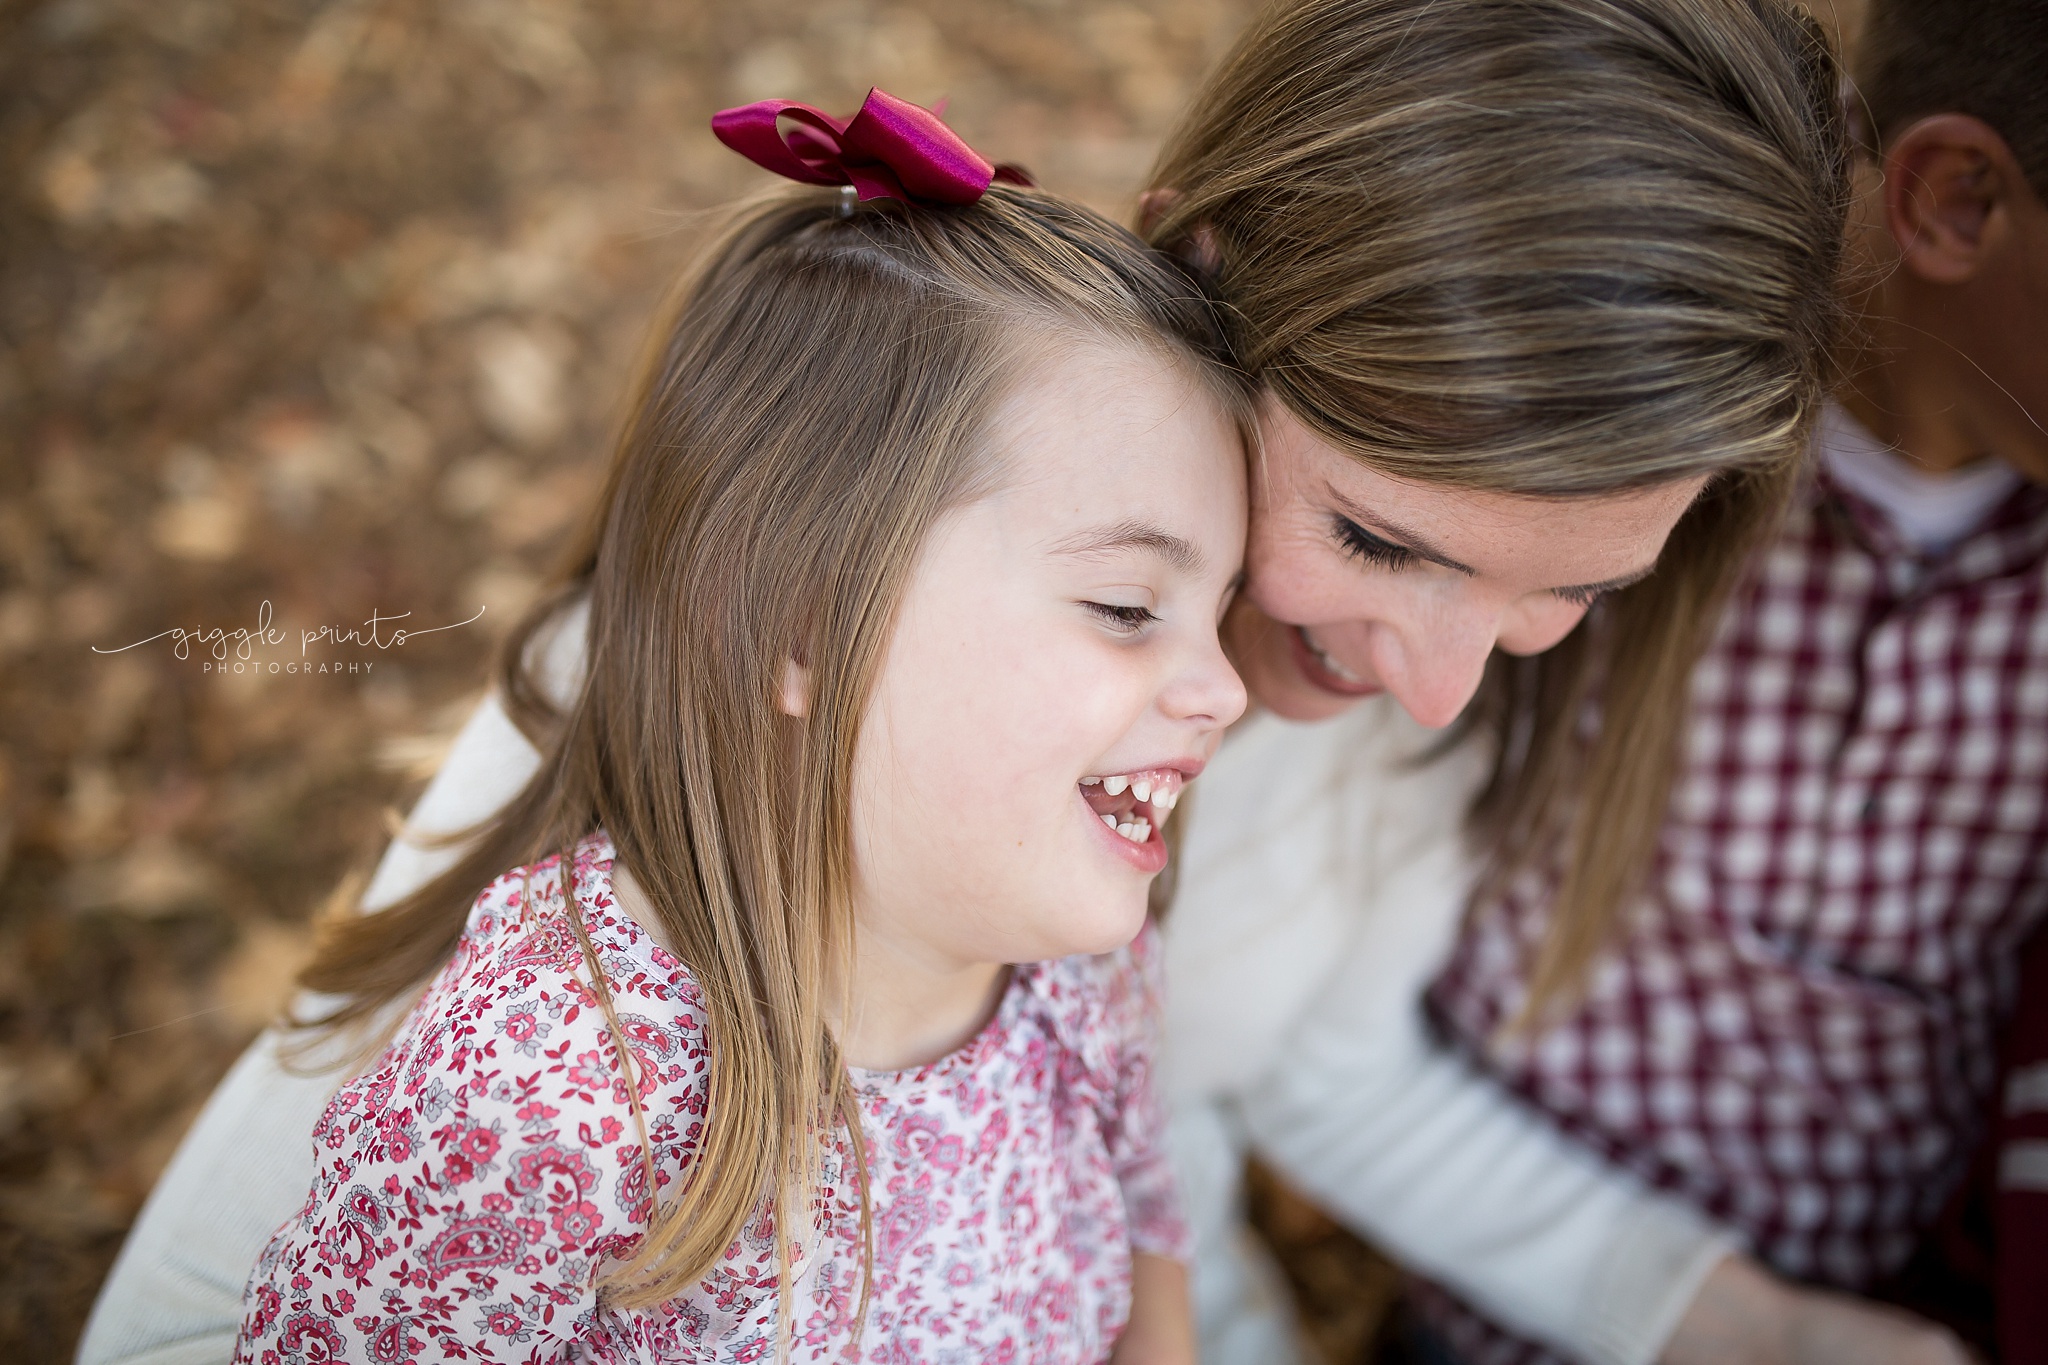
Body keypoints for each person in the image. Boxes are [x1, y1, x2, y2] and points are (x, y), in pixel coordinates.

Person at [79, 2, 1930, 1363]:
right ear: (1207, 274)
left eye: (1573, 594)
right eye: (1380, 543)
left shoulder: (1347, 741)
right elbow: (214, 1304)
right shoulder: (651, 842)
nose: (1439, 692)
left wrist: (1732, 1323)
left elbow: (1285, 1078)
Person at [233, 94, 1259, 1364]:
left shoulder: (1080, 964)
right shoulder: (556, 1085)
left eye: (1220, 611)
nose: (1223, 687)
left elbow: (1146, 1233)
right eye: (1125, 606)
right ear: (802, 625)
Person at [1232, 0, 2048, 1361]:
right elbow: (1290, 1055)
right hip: (1494, 1299)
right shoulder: (1576, 455)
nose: (1444, 672)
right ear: (1954, 199)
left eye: (1576, 593)